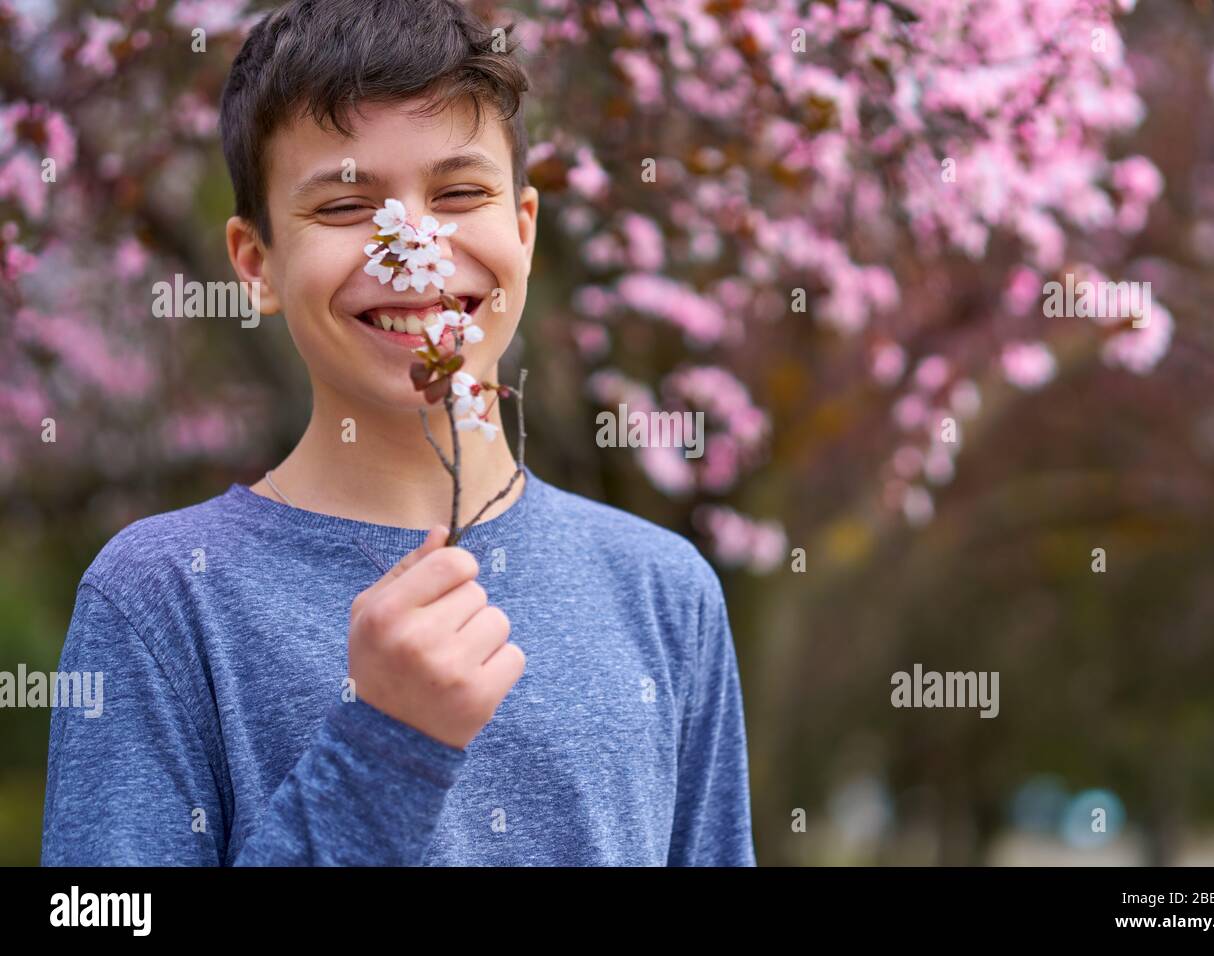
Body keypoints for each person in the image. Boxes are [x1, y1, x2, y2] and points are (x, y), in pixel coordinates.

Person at [39, 0, 756, 866]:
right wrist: (385, 749)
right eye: (345, 206)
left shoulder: (665, 590)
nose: (411, 243)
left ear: (524, 231)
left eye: (459, 194)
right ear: (255, 263)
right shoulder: (160, 600)